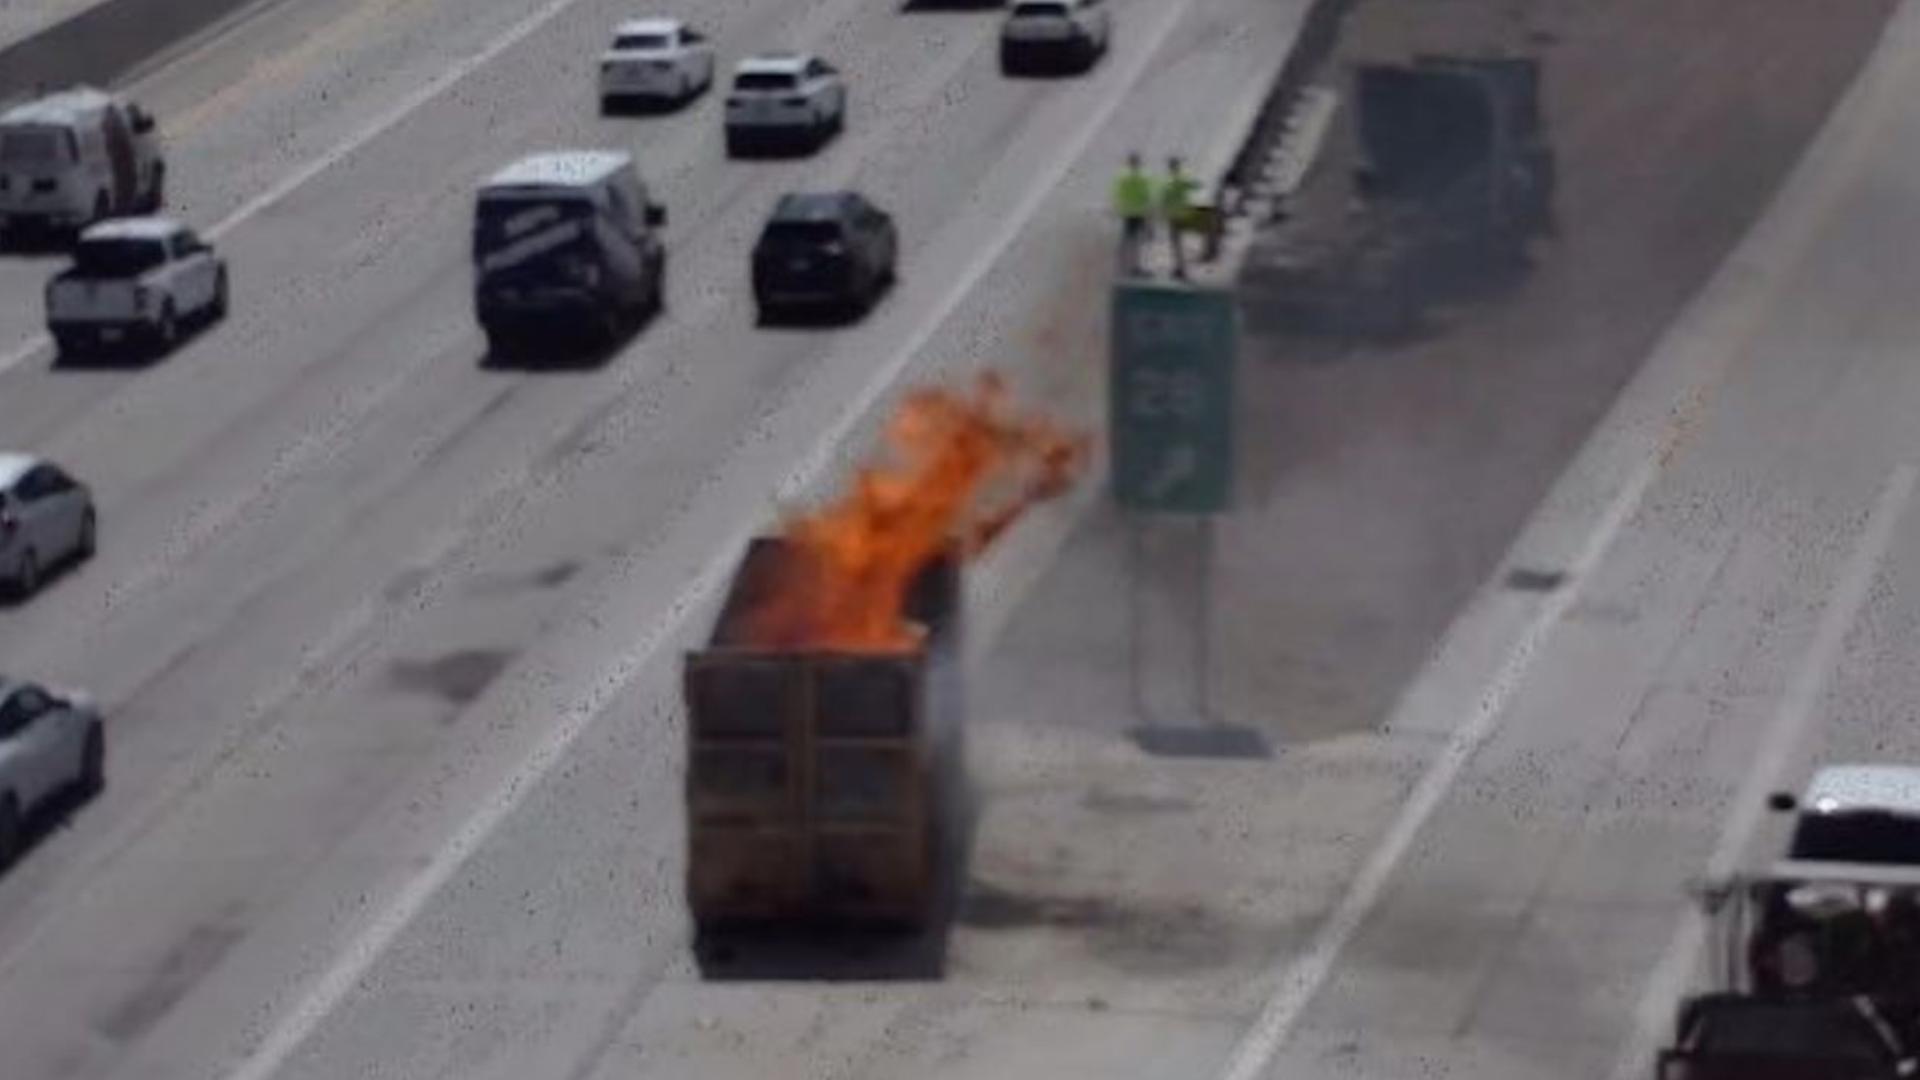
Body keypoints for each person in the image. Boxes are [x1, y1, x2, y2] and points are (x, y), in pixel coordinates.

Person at [1111, 152, 1155, 276]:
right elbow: (1147, 196)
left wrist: (1117, 208)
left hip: (1129, 211)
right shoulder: (1143, 177)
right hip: (1139, 211)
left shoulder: (1123, 177)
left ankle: (1123, 265)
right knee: (1141, 240)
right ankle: (1137, 266)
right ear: (1138, 163)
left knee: (1128, 238)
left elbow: (1118, 194)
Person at [1160, 156, 1199, 280]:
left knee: (1176, 243)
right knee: (1180, 242)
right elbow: (1195, 186)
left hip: (1173, 215)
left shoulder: (1169, 181)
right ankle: (1181, 267)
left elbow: (1164, 199)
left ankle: (1179, 268)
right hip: (1183, 213)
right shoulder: (1182, 178)